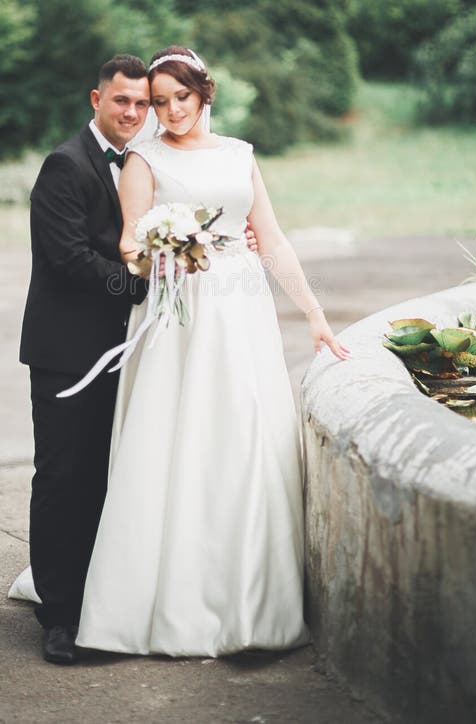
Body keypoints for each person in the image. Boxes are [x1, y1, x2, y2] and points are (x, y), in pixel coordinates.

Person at [75, 46, 348, 657]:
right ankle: (168, 597)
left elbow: (271, 239)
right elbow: (128, 244)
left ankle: (251, 599)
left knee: (245, 432)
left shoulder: (239, 154)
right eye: (160, 101)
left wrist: (315, 314)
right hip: (180, 311)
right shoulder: (144, 159)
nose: (172, 110)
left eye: (182, 97)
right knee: (180, 437)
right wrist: (163, 254)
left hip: (242, 310)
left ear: (204, 93)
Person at [18, 54, 151, 664]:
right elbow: (69, 258)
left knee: (103, 475)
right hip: (66, 353)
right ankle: (58, 615)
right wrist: (140, 286)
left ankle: (97, 601)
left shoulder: (142, 164)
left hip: (122, 349)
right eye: (122, 100)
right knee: (61, 478)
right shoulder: (64, 165)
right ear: (96, 100)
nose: (133, 112)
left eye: (142, 103)